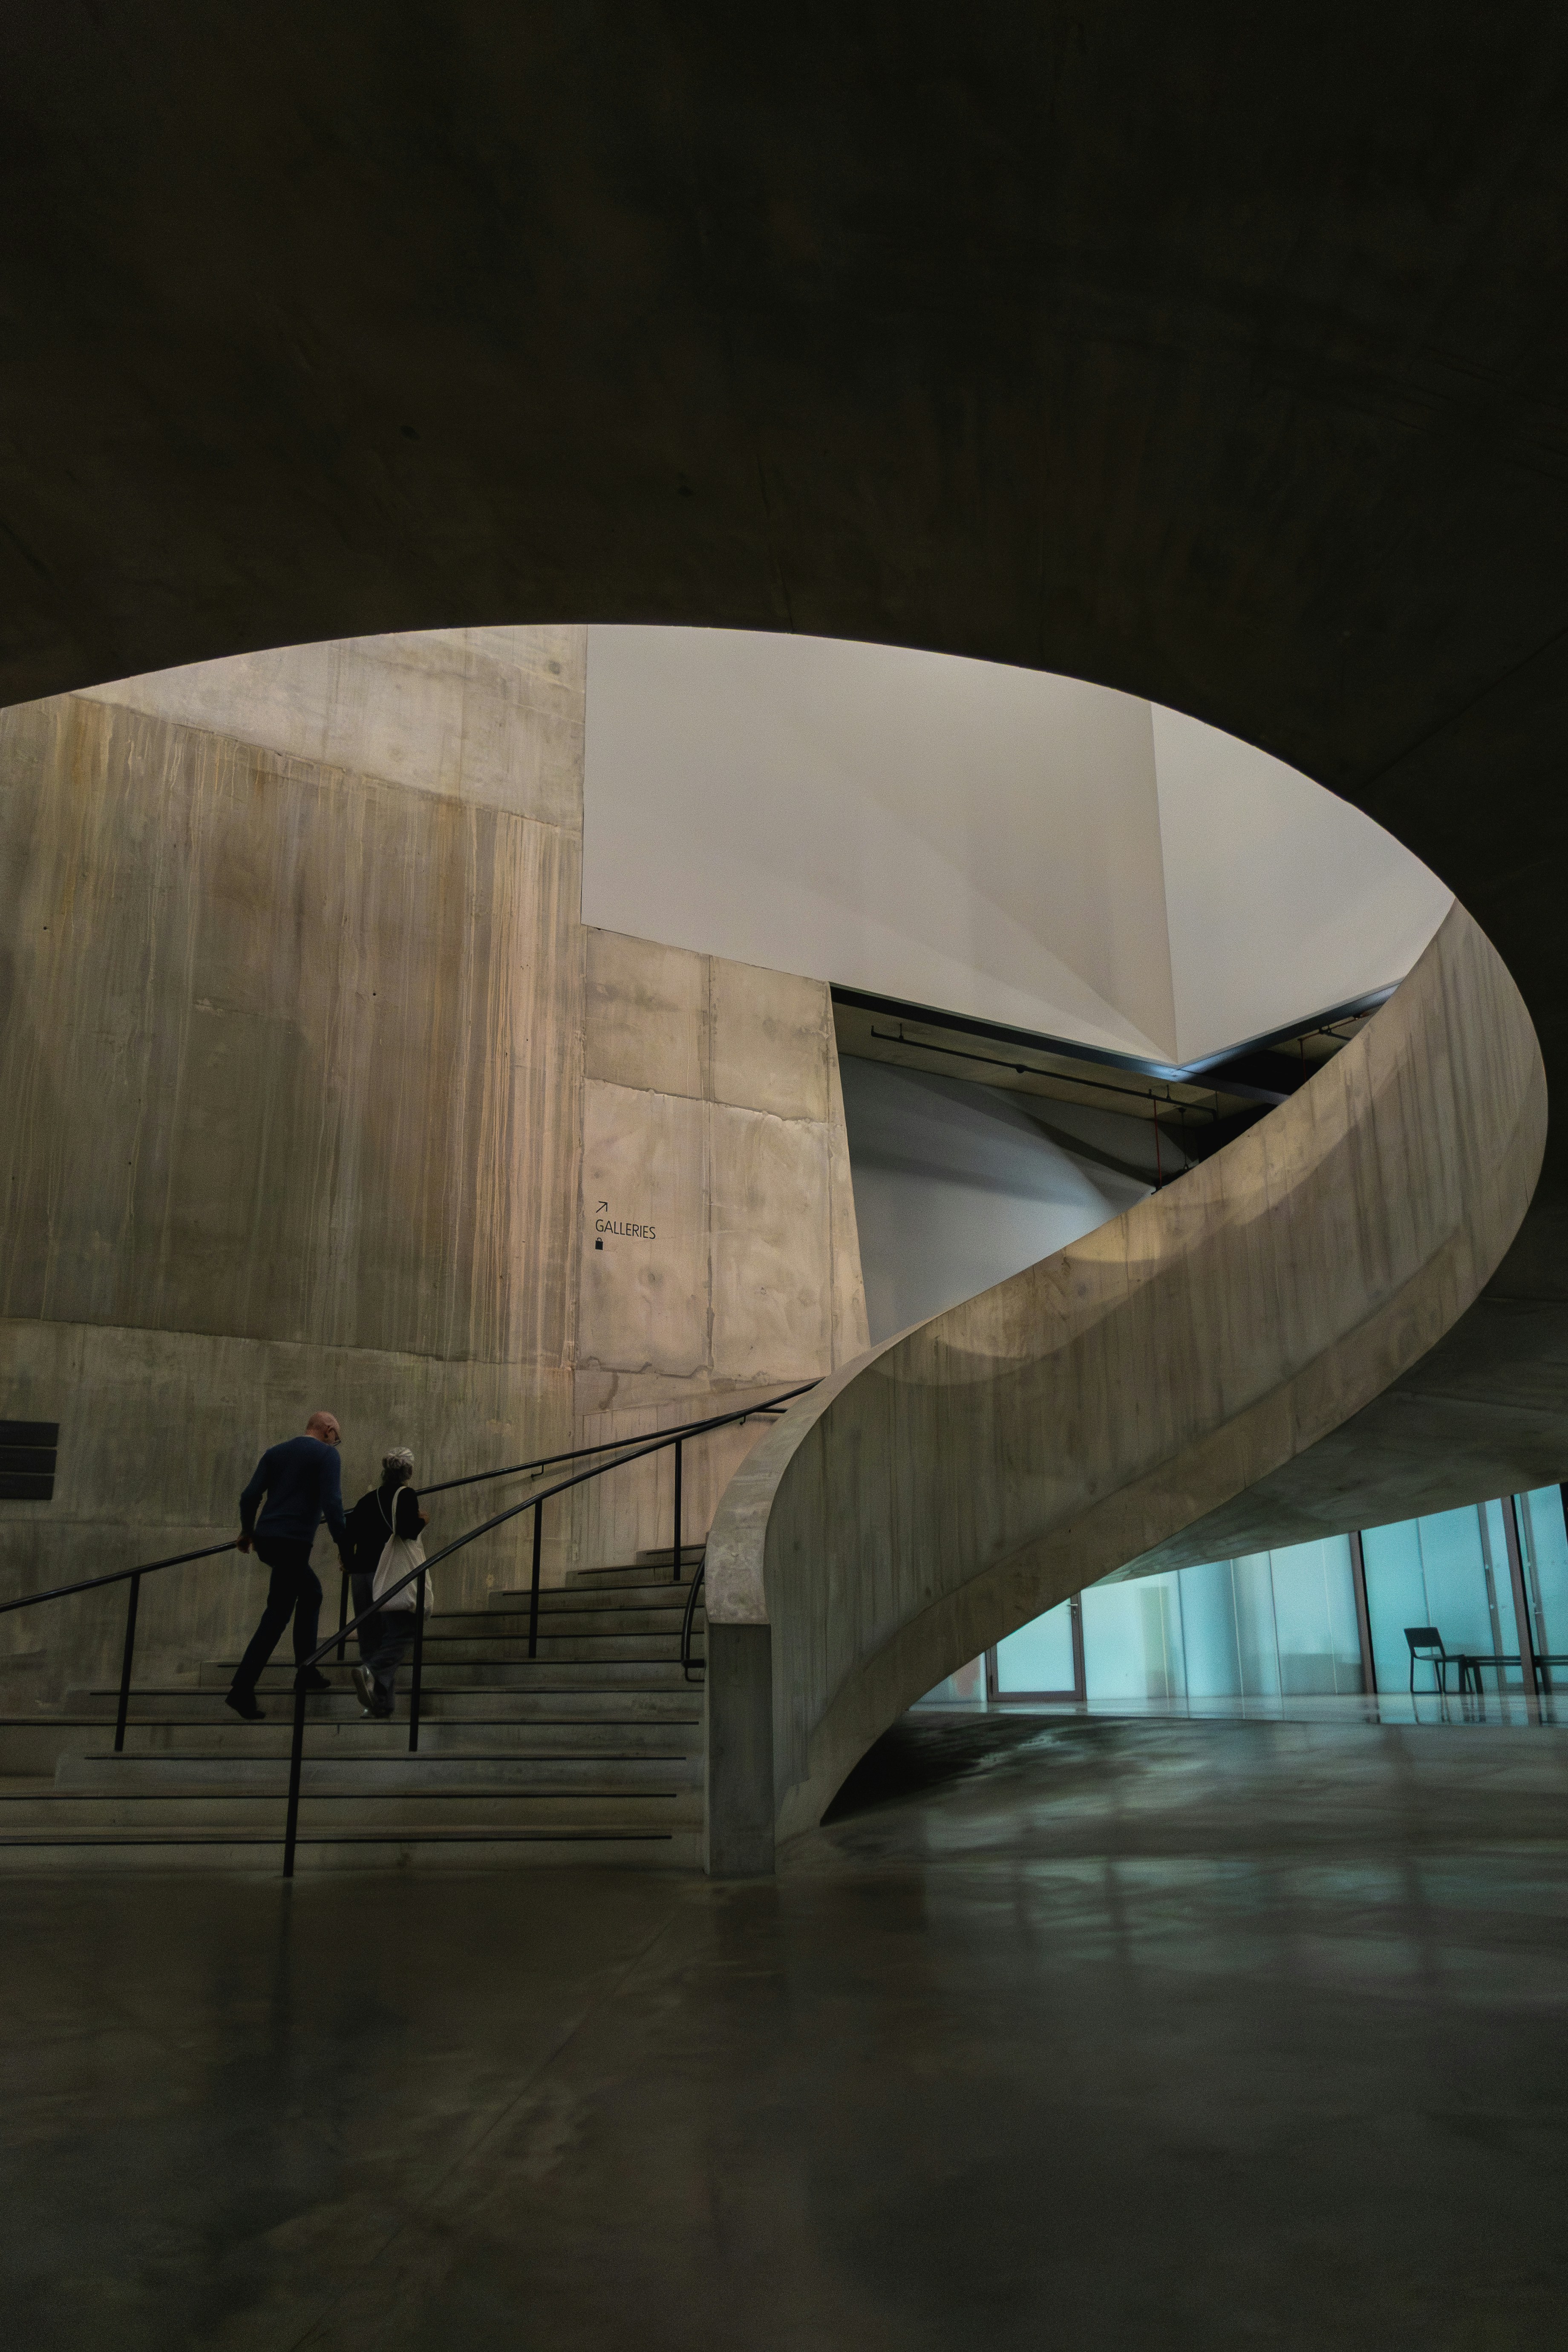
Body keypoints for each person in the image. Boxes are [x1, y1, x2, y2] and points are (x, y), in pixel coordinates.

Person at [227, 1410, 348, 1722]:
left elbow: (250, 1496)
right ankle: (242, 1688)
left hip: (267, 1540)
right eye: (337, 1437)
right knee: (278, 1613)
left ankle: (306, 1669)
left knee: (311, 1594)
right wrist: (345, 1546)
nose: (336, 1443)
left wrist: (247, 1531)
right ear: (328, 1431)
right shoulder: (326, 1456)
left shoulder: (276, 1453)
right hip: (294, 1542)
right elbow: (333, 1504)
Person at [342, 1447, 427, 1720]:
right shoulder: (406, 1495)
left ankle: (378, 1705)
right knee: (402, 1630)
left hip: (361, 1575)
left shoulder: (367, 1499)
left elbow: (347, 1532)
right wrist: (421, 1521)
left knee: (370, 1638)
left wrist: (348, 1561)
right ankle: (373, 1671)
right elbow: (406, 1530)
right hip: (389, 1575)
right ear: (408, 1472)